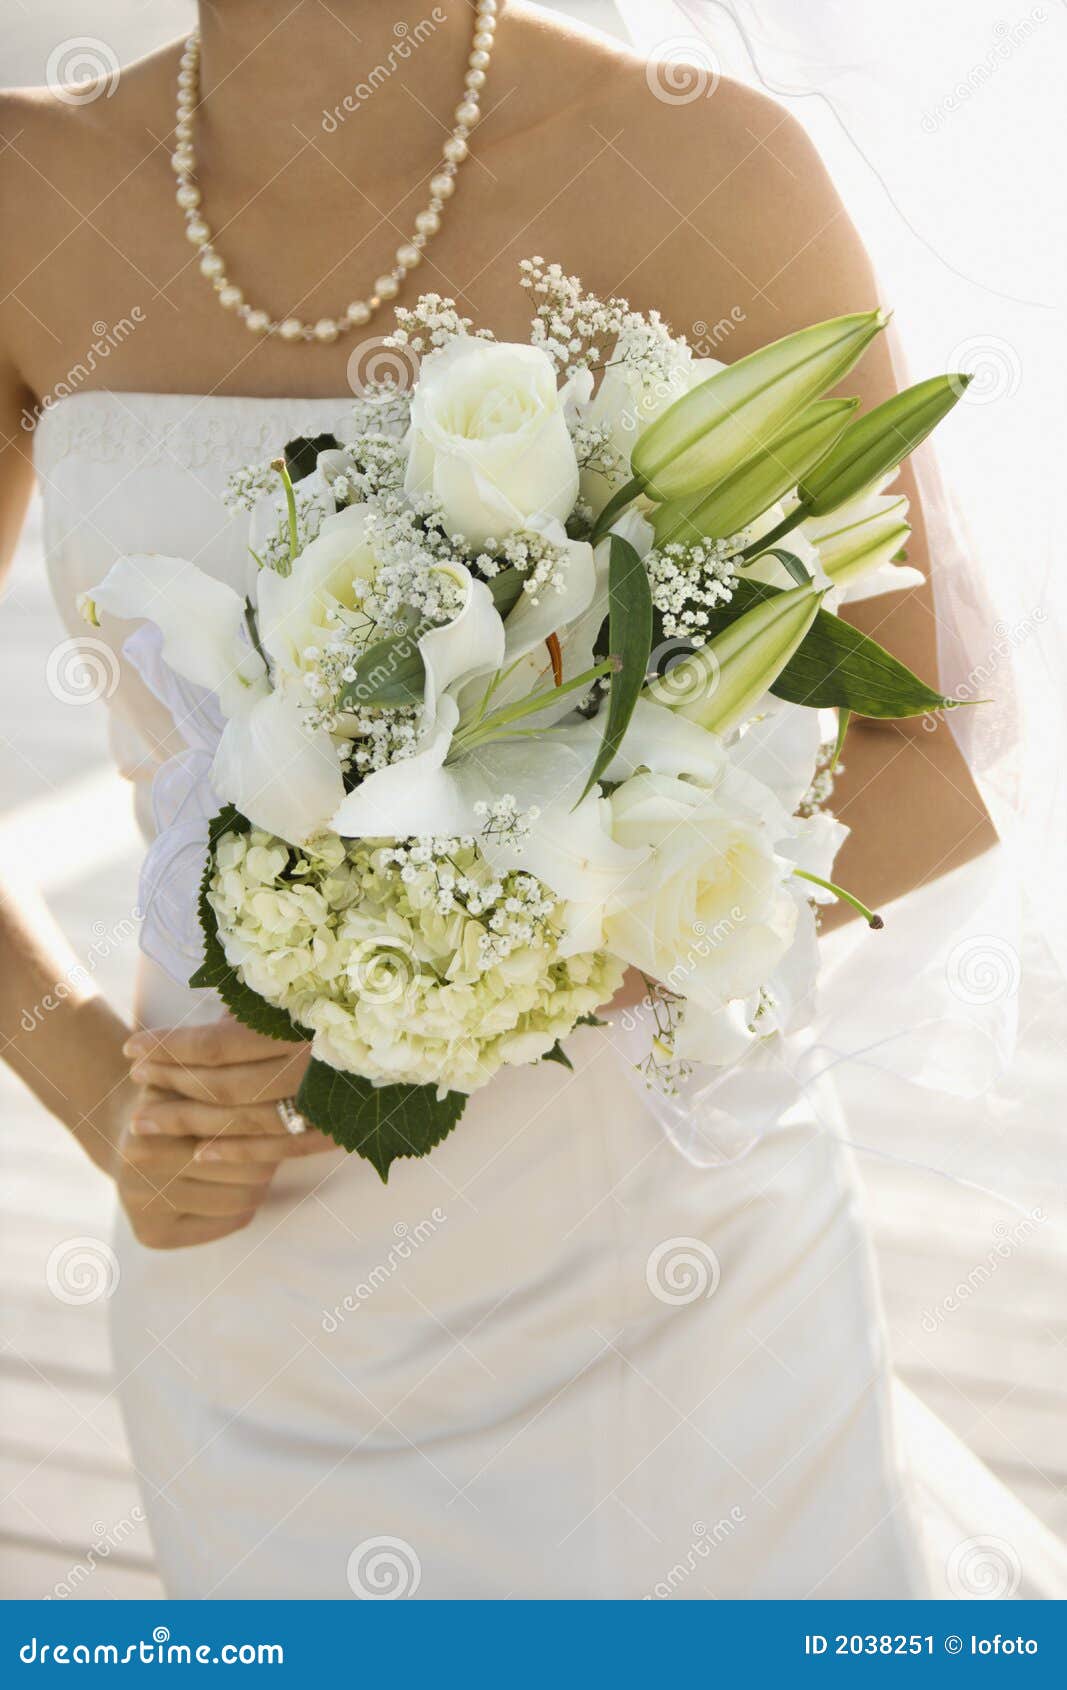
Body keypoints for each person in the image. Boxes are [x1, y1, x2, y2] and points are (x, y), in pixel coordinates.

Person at [0, 1, 997, 1598]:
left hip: (661, 1266)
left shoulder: (701, 159)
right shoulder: (22, 183)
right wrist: (95, 1086)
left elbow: (922, 756)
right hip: (249, 1273)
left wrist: (509, 957)